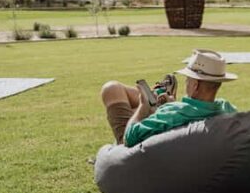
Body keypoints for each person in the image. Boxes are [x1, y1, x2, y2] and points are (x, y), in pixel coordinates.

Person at [100, 49, 238, 147]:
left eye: (187, 80)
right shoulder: (228, 109)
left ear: (195, 85)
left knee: (111, 89)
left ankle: (150, 104)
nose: (186, 83)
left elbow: (128, 138)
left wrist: (143, 106)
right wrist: (171, 105)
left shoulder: (174, 113)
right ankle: (156, 104)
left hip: (130, 149)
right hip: (178, 119)